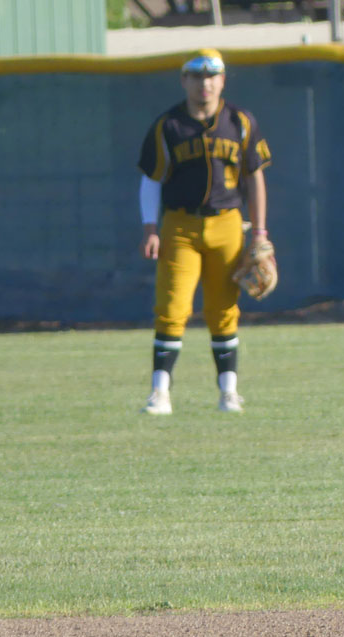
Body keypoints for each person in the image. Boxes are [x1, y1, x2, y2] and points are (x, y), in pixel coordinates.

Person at [137, 48, 272, 415]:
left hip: (228, 222)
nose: (205, 83)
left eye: (212, 75)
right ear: (184, 80)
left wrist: (259, 232)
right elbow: (152, 179)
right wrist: (150, 226)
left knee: (223, 309)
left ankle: (229, 393)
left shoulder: (240, 122)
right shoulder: (168, 125)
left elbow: (254, 178)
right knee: (171, 308)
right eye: (196, 76)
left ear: (223, 80)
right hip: (179, 225)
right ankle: (160, 393)